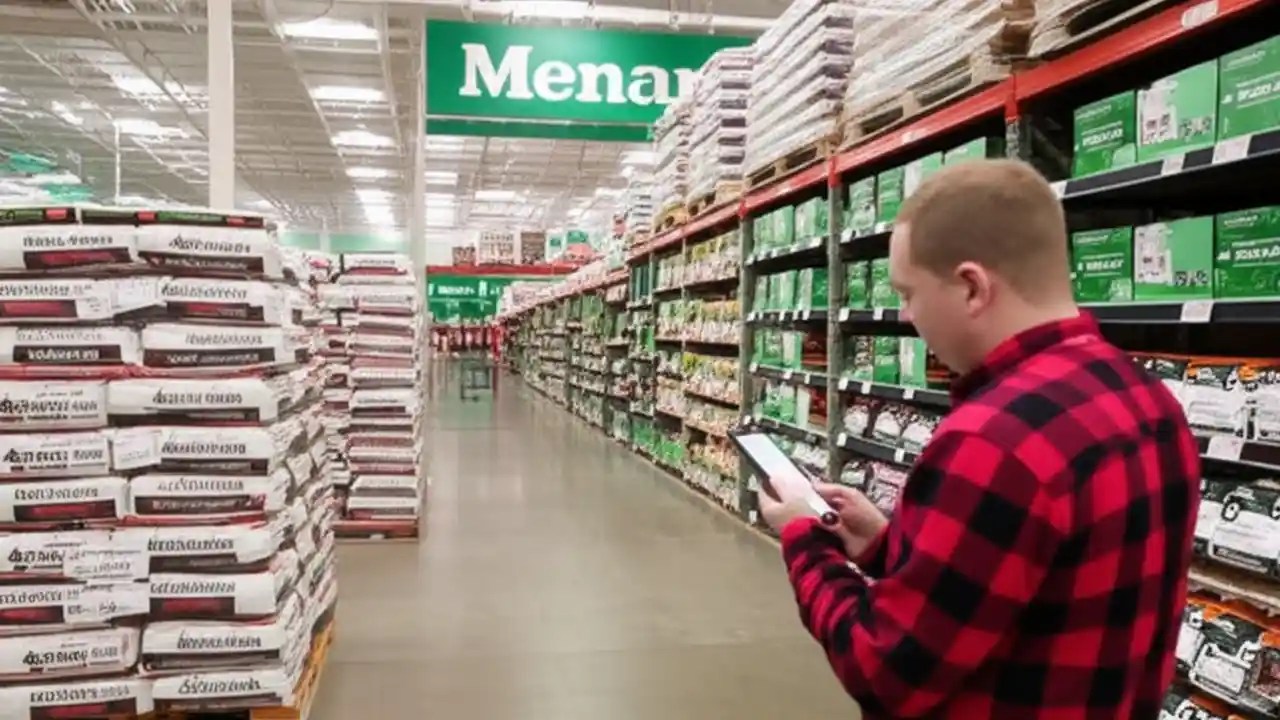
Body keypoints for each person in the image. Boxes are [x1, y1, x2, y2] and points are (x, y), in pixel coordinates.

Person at [758, 159, 1200, 719]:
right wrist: (882, 545)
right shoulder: (1151, 400)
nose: (904, 313)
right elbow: (1026, 582)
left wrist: (805, 538)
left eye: (909, 292)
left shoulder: (993, 440)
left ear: (971, 287)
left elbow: (883, 669)